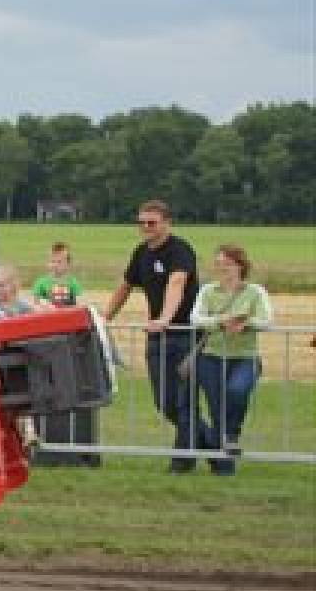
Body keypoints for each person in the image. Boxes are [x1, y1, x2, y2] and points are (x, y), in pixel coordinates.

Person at [102, 199, 213, 473]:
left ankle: (182, 463)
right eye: (141, 222)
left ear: (167, 223)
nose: (145, 227)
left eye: (151, 222)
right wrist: (104, 318)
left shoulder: (180, 250)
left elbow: (176, 284)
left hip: (186, 334)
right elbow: (125, 286)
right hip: (158, 337)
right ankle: (217, 445)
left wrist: (165, 319)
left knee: (184, 402)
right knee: (165, 403)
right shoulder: (141, 253)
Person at [190, 244, 273, 476]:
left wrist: (246, 324)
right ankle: (225, 466)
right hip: (211, 356)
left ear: (240, 266)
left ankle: (232, 435)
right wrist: (220, 322)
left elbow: (266, 320)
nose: (223, 268)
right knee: (217, 408)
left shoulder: (255, 292)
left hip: (244, 357)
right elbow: (196, 317)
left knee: (237, 391)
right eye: (219, 264)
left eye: (228, 264)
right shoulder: (208, 291)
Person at [31, 241, 84, 309]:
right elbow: (36, 302)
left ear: (68, 264)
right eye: (52, 261)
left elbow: (79, 302)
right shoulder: (41, 282)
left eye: (59, 262)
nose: (55, 265)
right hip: (49, 314)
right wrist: (44, 304)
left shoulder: (73, 282)